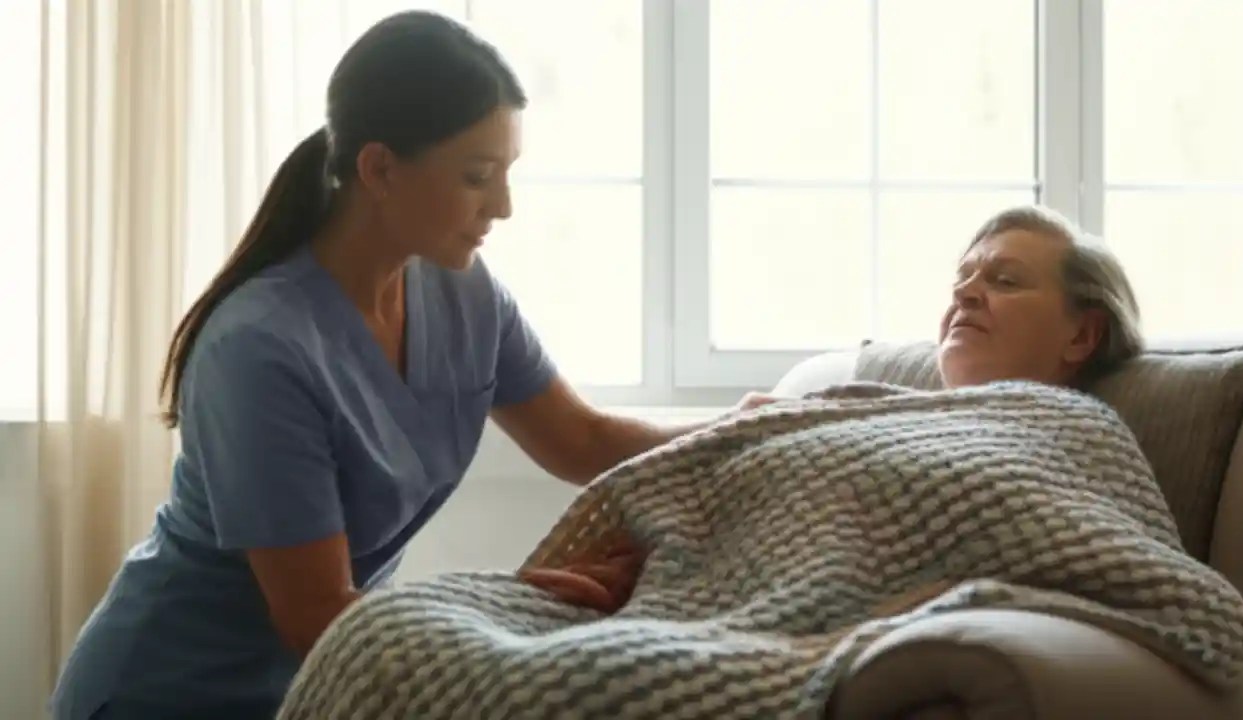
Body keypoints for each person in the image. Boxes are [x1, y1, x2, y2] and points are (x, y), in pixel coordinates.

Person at [49, 12, 771, 720]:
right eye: (476, 176)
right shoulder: (259, 350)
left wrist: (738, 435)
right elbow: (316, 617)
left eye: (506, 173)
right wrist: (500, 604)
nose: (505, 206)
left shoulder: (464, 293)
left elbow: (578, 439)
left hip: (319, 686)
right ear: (380, 169)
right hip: (167, 689)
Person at [521, 203, 1145, 613]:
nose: (967, 293)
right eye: (963, 279)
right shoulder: (870, 416)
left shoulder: (1079, 436)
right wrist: (655, 569)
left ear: (1081, 336)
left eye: (1004, 281)